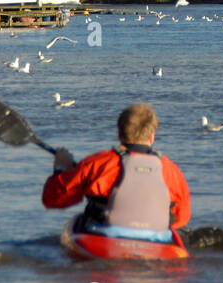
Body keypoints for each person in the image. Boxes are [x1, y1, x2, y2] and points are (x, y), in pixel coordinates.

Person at [42, 103, 190, 243]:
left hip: (104, 235)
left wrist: (61, 168)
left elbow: (54, 199)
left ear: (120, 134)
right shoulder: (171, 170)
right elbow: (181, 219)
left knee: (78, 220)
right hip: (157, 239)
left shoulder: (98, 163)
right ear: (152, 137)